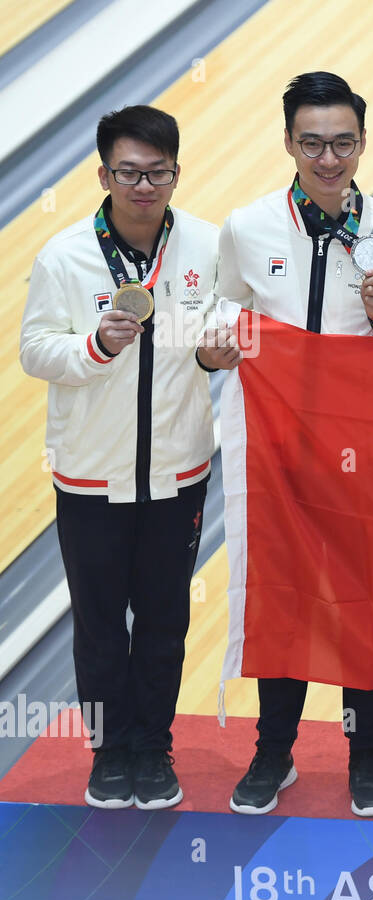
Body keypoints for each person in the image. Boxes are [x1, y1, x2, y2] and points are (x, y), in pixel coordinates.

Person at [219, 71, 373, 818]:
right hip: (277, 455)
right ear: (288, 143)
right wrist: (212, 348)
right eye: (312, 142)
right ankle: (273, 750)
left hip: (366, 456)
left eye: (343, 142)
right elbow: (219, 323)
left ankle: (366, 752)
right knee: (283, 603)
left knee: (363, 606)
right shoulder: (247, 228)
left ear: (364, 144)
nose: (328, 157)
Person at [20, 105, 234, 809]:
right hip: (89, 477)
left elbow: (223, 336)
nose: (144, 186)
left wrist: (213, 352)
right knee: (101, 623)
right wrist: (95, 347)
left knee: (167, 622)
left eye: (158, 172)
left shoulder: (207, 248)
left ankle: (154, 747)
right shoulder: (64, 256)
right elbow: (34, 351)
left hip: (179, 475)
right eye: (129, 173)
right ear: (104, 173)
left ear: (177, 172)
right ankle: (109, 753)